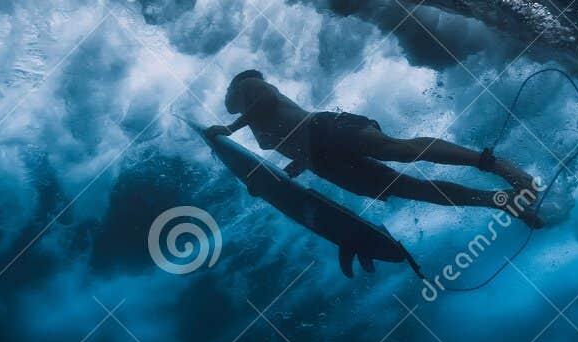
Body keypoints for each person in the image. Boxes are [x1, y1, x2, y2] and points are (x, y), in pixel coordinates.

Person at [205, 70, 544, 226]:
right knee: (413, 190)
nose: (227, 103)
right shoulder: (255, 122)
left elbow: (265, 101)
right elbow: (291, 147)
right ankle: (501, 202)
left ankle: (493, 164)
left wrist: (231, 128)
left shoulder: (250, 86)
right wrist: (276, 179)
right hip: (323, 162)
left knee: (399, 150)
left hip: (325, 129)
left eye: (229, 98)